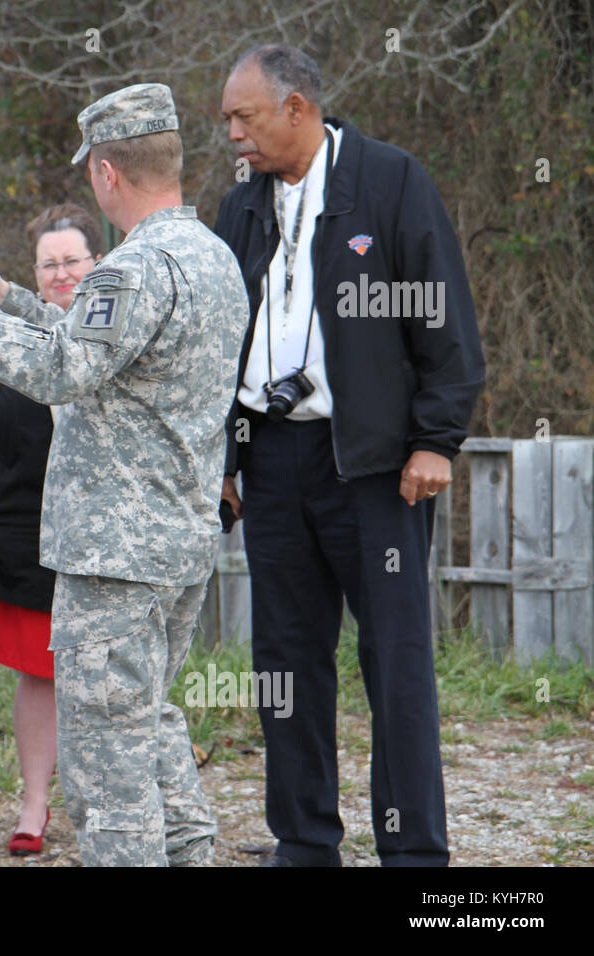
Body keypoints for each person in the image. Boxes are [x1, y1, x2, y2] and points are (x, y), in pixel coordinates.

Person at [0, 84, 248, 867]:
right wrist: (1, 295)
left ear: (107, 174)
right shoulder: (211, 256)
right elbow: (101, 348)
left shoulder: (133, 267)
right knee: (148, 720)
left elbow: (62, 369)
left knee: (108, 771)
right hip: (176, 542)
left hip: (115, 555)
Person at [214, 45, 485, 866]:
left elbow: (442, 313)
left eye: (244, 118)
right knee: (285, 664)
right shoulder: (240, 207)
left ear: (298, 109)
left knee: (394, 661)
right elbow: (224, 341)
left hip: (372, 469)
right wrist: (225, 452)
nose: (233, 136)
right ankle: (303, 841)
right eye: (227, 121)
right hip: (271, 464)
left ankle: (413, 855)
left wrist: (437, 437)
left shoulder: (390, 182)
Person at [0, 203, 102, 854]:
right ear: (33, 274)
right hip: (24, 527)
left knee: (104, 672)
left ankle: (106, 804)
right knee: (38, 672)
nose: (62, 273)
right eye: (50, 263)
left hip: (106, 530)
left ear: (96, 263)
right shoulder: (9, 328)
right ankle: (34, 806)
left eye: (72, 260)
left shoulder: (118, 327)